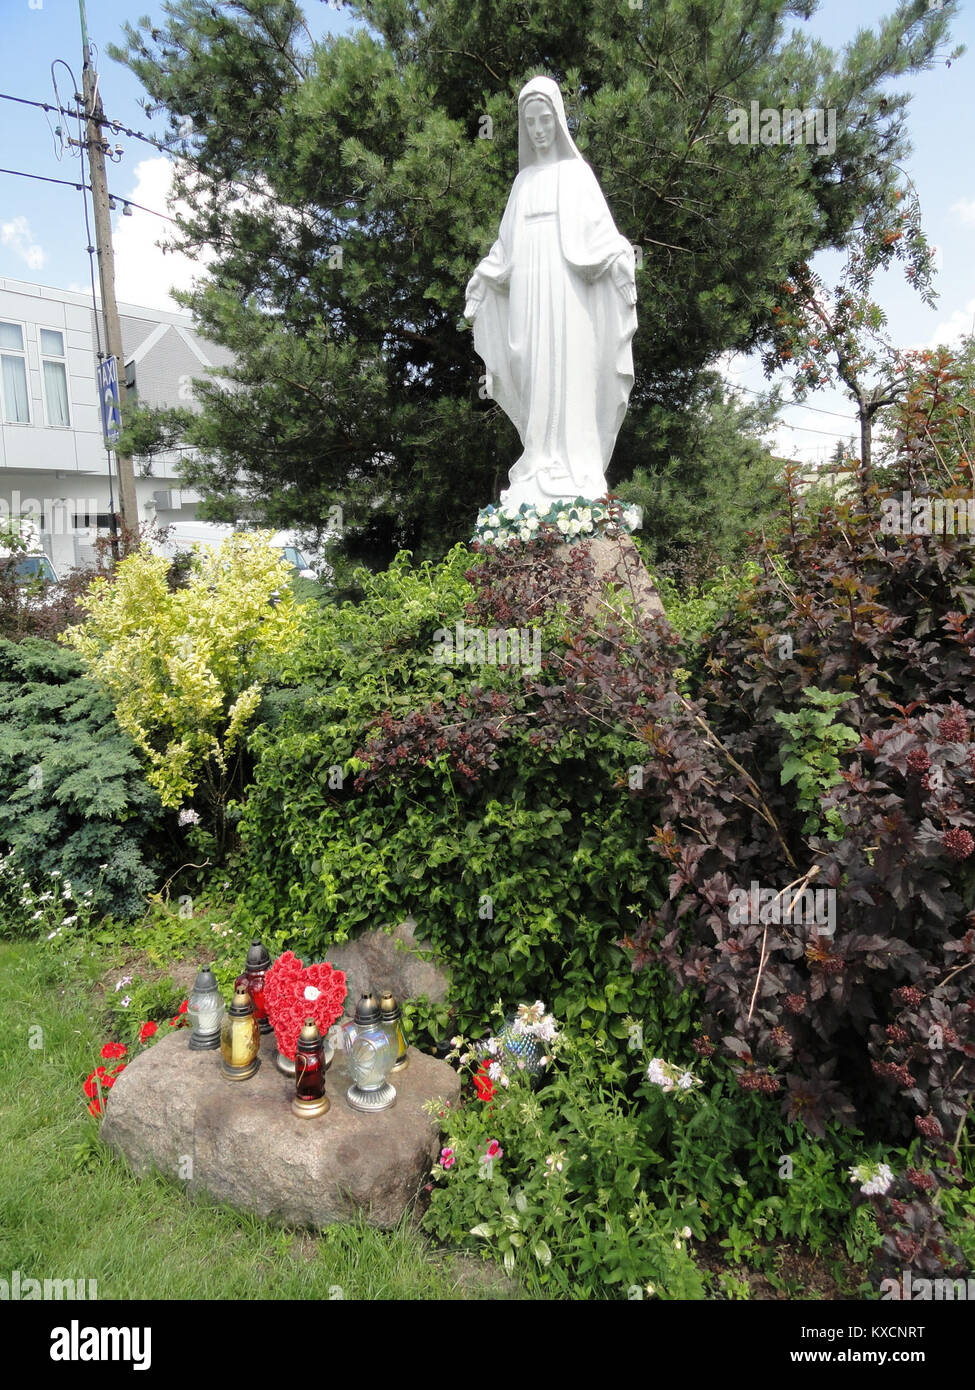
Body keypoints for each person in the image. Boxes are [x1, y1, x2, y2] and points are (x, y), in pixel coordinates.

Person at [464, 75, 637, 512]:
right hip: (528, 288)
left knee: (570, 367)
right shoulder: (522, 185)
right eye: (530, 122)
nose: (539, 129)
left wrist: (619, 258)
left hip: (567, 286)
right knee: (534, 366)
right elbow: (504, 249)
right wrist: (485, 277)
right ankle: (540, 458)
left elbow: (603, 235)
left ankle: (575, 463)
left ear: (558, 121)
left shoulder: (577, 174)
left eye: (545, 120)